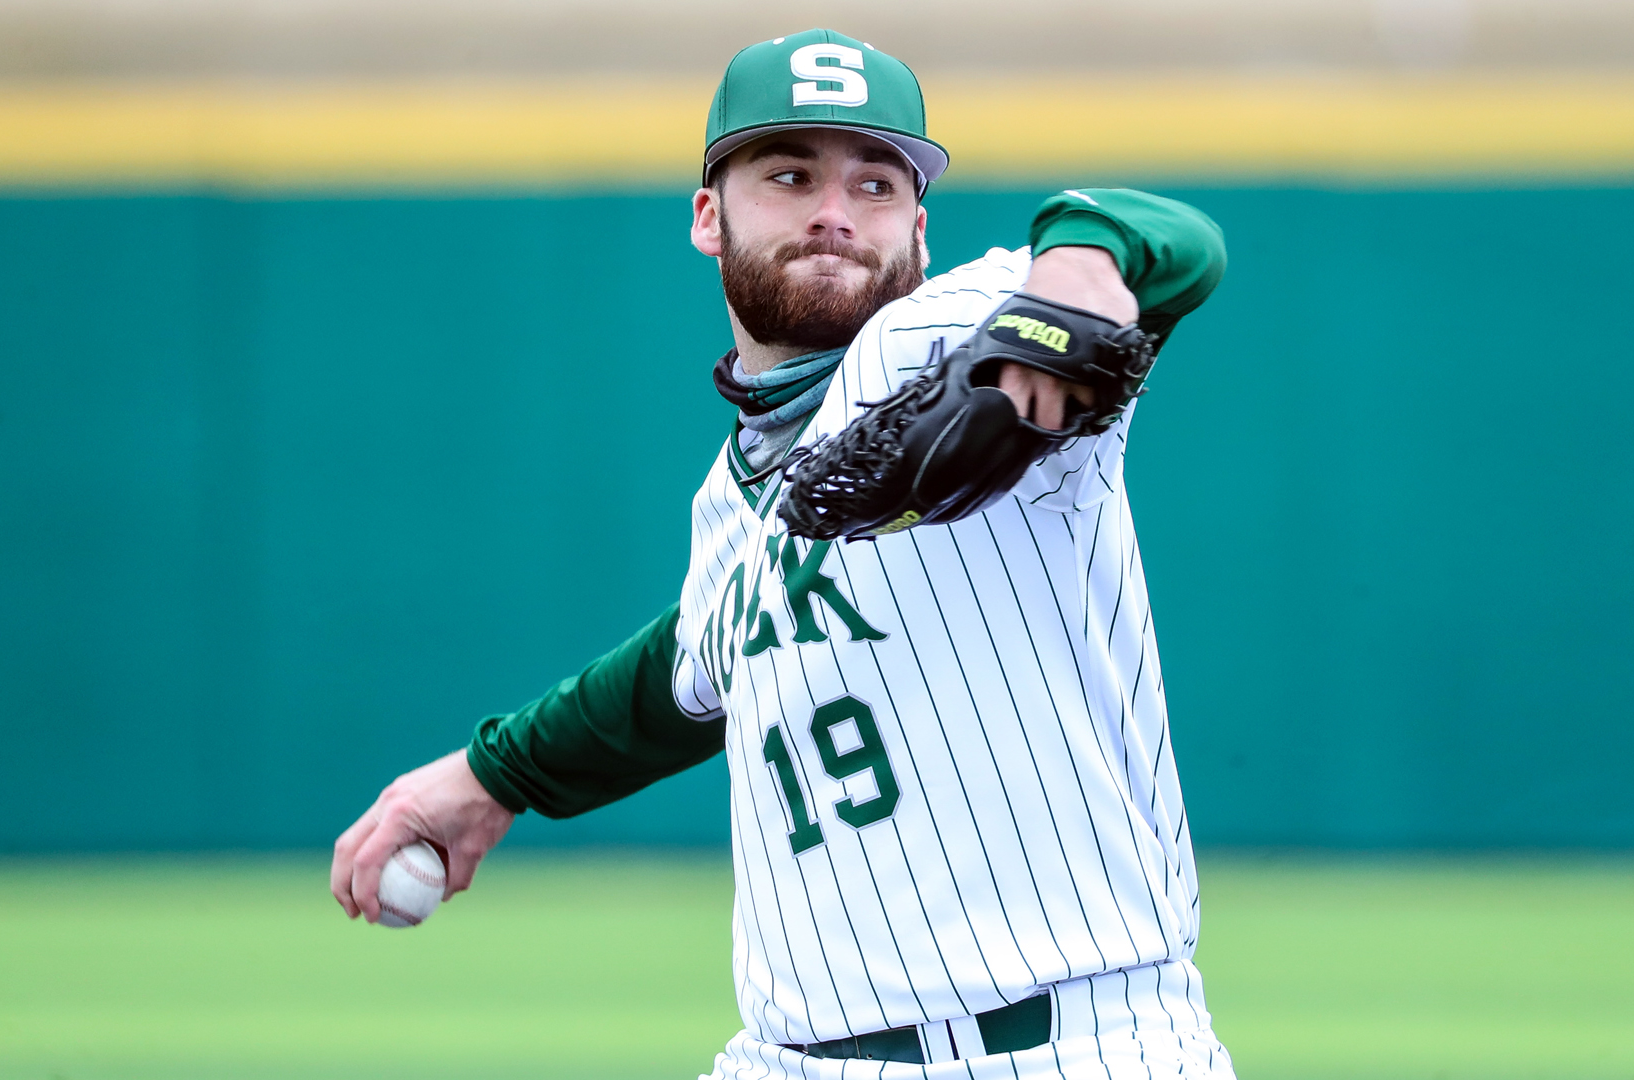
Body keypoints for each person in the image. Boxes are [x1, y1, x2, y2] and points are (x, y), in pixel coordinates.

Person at [331, 28, 1231, 1078]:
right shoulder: (731, 497)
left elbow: (1172, 239)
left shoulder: (952, 331)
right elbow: (684, 674)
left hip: (1066, 1045)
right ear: (710, 216)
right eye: (789, 174)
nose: (835, 212)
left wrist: (1080, 265)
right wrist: (491, 775)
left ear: (921, 229)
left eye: (876, 184)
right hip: (788, 1057)